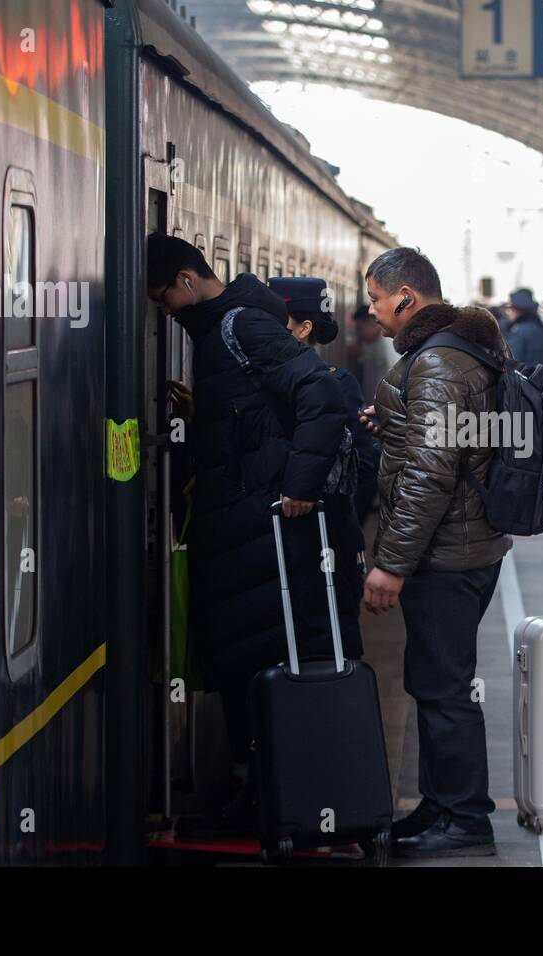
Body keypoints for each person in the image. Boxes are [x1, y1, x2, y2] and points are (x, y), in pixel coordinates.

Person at [147, 234, 354, 836]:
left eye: (165, 298)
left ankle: (270, 801)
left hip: (263, 540)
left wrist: (300, 485)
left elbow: (320, 396)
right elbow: (252, 420)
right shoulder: (223, 333)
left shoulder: (241, 326)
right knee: (246, 666)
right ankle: (261, 795)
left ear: (188, 281)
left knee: (258, 668)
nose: (166, 313)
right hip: (241, 538)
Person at [358, 248, 510, 858]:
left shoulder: (440, 361)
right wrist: (393, 426)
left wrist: (390, 563)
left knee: (446, 690)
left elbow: (430, 473)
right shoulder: (450, 350)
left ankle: (467, 819)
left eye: (375, 298)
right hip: (462, 547)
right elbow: (440, 445)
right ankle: (440, 805)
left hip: (448, 556)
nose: (370, 312)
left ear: (406, 297)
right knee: (434, 684)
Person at [270, 276, 381, 525]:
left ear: (304, 328)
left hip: (317, 528)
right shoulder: (341, 383)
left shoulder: (339, 385)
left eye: (274, 321)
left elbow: (360, 466)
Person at [504, 288, 543, 370]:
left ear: (516, 310)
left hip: (523, 380)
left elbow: (512, 361)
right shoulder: (540, 328)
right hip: (541, 379)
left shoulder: (519, 331)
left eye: (510, 309)